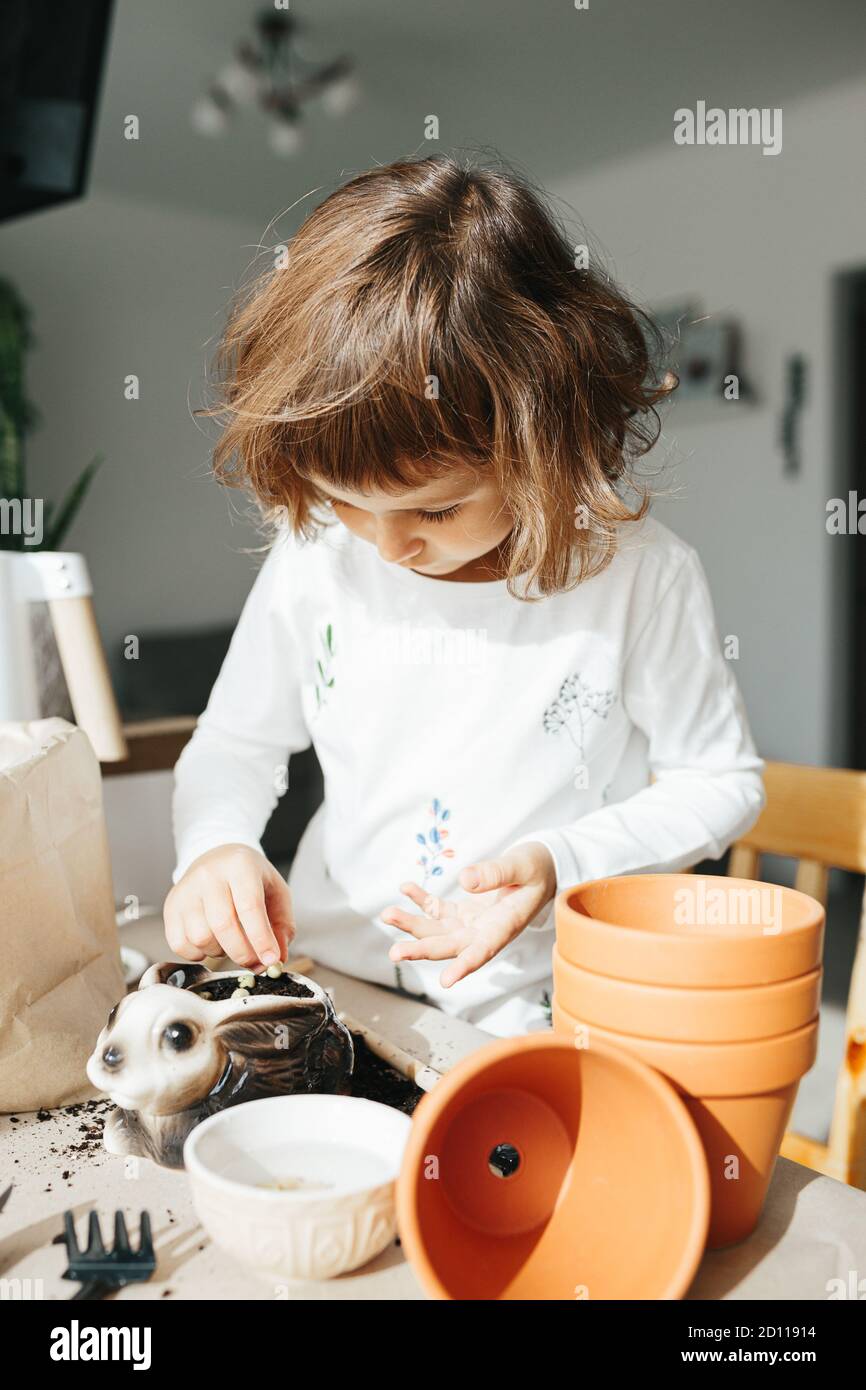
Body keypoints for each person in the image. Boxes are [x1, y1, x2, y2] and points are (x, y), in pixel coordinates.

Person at [165, 155, 764, 1037]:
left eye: (435, 508)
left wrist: (564, 861)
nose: (387, 543)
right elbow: (235, 744)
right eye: (345, 500)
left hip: (532, 1007)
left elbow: (721, 782)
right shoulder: (317, 554)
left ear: (543, 445)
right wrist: (217, 843)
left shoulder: (641, 577)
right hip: (333, 980)